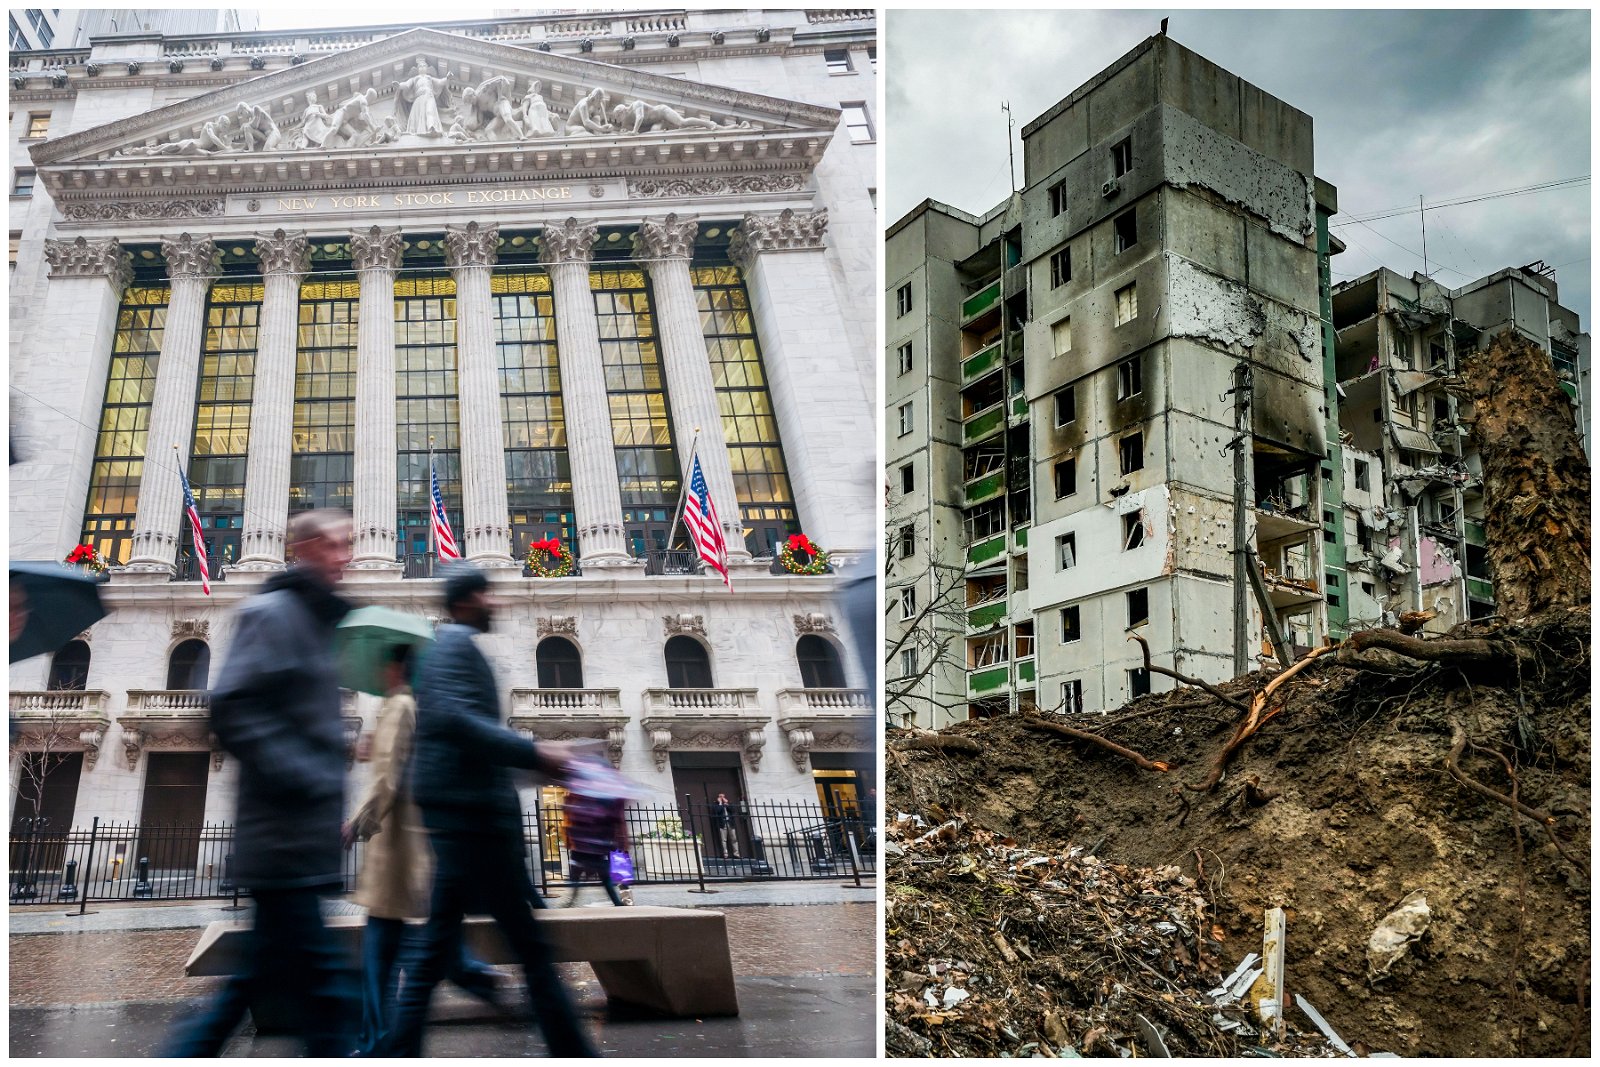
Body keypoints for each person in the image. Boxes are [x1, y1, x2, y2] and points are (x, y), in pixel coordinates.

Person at [374, 565, 596, 1057]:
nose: (494, 603)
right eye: (485, 594)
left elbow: (461, 728)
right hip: (470, 818)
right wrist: (536, 754)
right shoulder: (453, 646)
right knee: (530, 948)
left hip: (462, 815)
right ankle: (571, 1049)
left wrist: (529, 763)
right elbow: (456, 721)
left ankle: (399, 1050)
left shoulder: (452, 646)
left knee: (436, 949)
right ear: (466, 600)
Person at [164, 510, 358, 1056]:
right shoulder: (274, 613)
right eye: (341, 545)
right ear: (311, 547)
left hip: (297, 842)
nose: (348, 557)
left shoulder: (315, 620)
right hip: (283, 837)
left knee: (257, 987)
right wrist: (309, 776)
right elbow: (231, 708)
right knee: (326, 992)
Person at [345, 644, 502, 1054]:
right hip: (399, 847)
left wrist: (357, 822)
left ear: (396, 668)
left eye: (385, 666)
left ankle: (379, 1037)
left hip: (395, 847)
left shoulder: (400, 708)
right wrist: (368, 748)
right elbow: (390, 764)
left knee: (382, 951)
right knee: (395, 943)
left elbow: (389, 778)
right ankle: (464, 971)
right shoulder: (399, 710)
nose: (380, 674)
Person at [561, 755, 630, 907]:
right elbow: (616, 818)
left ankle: (570, 901)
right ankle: (620, 901)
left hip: (592, 842)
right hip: (595, 842)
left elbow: (615, 818)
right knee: (602, 875)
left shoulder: (588, 793)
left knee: (585, 875)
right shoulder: (600, 794)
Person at [711, 793, 738, 860]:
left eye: (723, 796)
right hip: (722, 824)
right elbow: (717, 811)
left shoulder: (728, 803)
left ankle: (736, 854)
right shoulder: (716, 805)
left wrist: (727, 804)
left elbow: (733, 810)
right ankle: (725, 854)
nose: (722, 798)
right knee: (723, 839)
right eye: (720, 797)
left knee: (734, 838)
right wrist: (720, 803)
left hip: (730, 823)